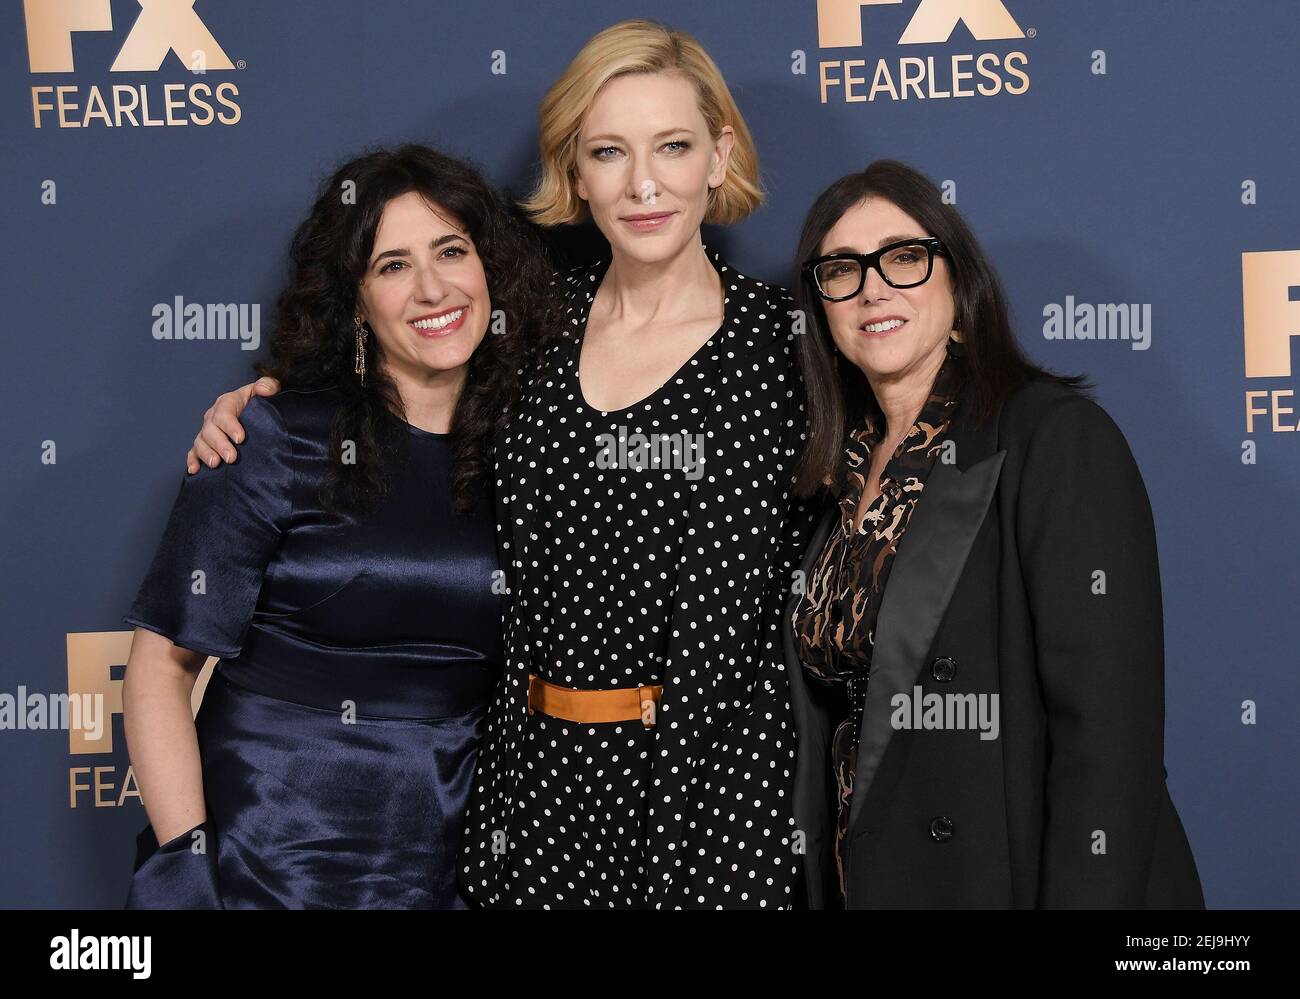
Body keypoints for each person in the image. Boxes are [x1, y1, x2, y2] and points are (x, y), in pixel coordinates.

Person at [181, 20, 814, 909]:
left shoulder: (789, 348)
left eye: (673, 146)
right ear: (575, 174)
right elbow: (401, 363)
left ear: (720, 154)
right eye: (608, 151)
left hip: (711, 800)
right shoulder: (531, 327)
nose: (643, 183)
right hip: (531, 797)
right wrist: (260, 406)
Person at [122, 145, 555, 908]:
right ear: (356, 302)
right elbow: (160, 669)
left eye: (451, 251)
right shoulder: (272, 438)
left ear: (491, 270)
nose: (431, 288)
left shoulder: (534, 456)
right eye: (392, 265)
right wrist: (186, 868)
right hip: (257, 869)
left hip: (449, 872)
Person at [783, 159, 1204, 908]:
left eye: (904, 258)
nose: (873, 288)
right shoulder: (833, 476)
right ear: (821, 304)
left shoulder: (1053, 439)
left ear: (958, 278)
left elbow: (1108, 742)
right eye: (841, 269)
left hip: (1013, 878)